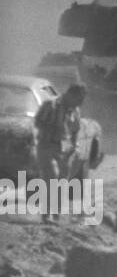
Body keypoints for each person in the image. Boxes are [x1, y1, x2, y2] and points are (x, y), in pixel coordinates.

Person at [33, 84, 86, 220]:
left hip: (63, 149)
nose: (80, 102)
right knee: (51, 176)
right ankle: (46, 215)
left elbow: (75, 130)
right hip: (46, 145)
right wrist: (53, 128)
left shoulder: (75, 110)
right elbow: (37, 122)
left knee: (63, 179)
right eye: (79, 98)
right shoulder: (51, 104)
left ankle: (54, 212)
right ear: (71, 95)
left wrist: (74, 146)